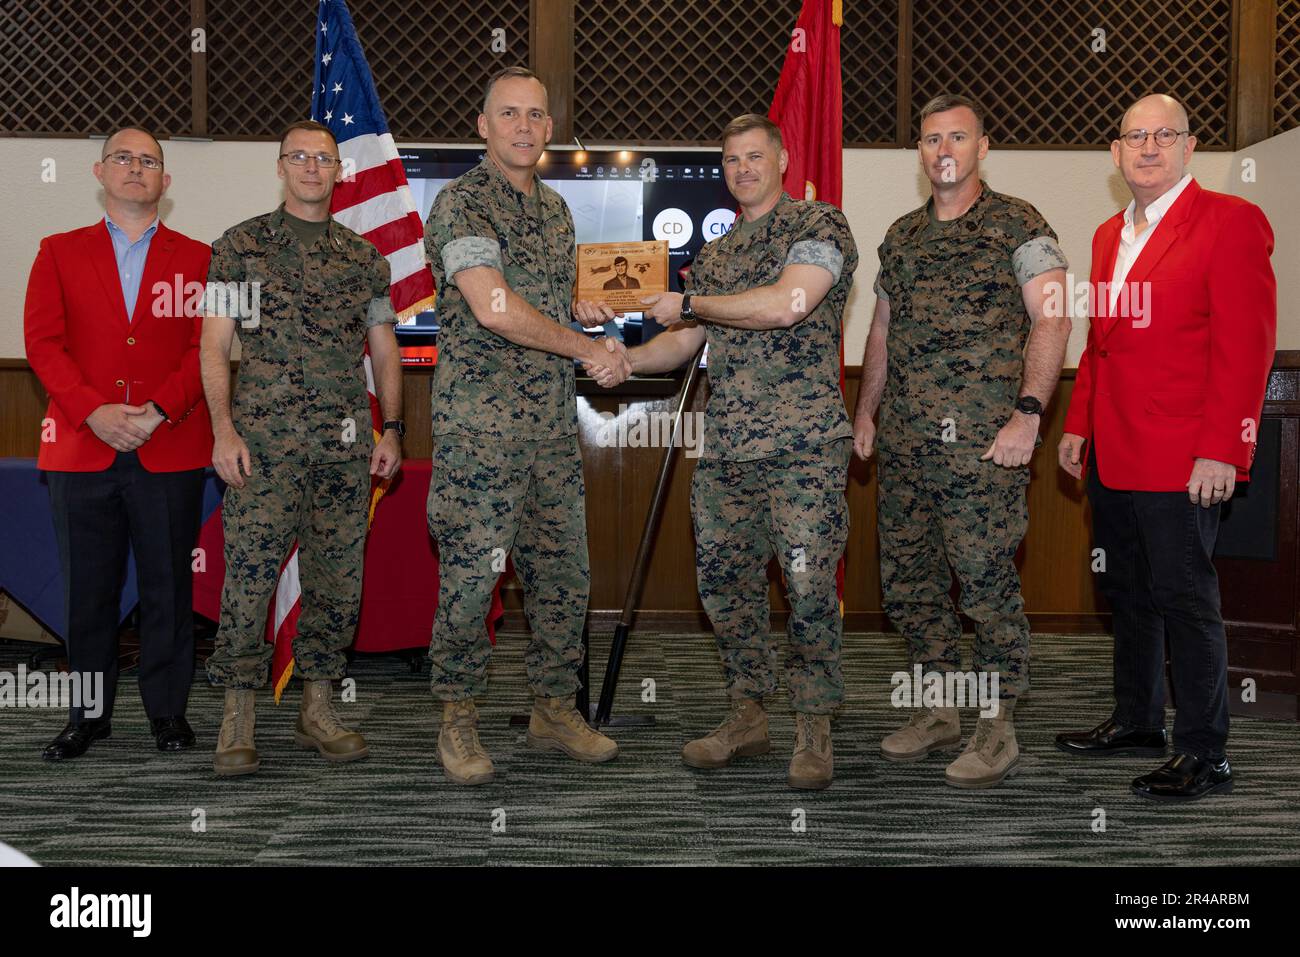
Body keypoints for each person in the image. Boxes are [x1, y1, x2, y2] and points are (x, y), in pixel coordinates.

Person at [586, 113, 857, 790]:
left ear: (783, 158)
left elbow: (788, 303)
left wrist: (692, 302)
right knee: (726, 587)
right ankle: (747, 713)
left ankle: (815, 725)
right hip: (728, 447)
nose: (742, 169)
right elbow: (685, 341)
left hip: (803, 448)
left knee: (807, 587)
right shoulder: (718, 251)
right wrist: (625, 359)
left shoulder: (820, 226)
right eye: (731, 160)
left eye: (754, 156)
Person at [1055, 94, 1276, 801]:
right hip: (1114, 453)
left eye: (1164, 135)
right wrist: (1077, 424)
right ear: (1116, 153)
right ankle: (1138, 720)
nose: (1148, 147)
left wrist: (1224, 450)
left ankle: (1206, 752)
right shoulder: (1104, 235)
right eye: (1134, 137)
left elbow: (1247, 350)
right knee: (1127, 592)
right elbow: (1102, 348)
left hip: (1185, 456)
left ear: (1189, 148)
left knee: (1185, 598)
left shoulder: (1231, 222)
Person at [853, 94, 1070, 788]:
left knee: (984, 585)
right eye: (929, 139)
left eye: (956, 137)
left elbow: (1053, 318)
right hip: (909, 444)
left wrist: (1029, 413)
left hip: (984, 445)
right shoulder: (900, 236)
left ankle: (997, 724)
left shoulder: (1018, 223)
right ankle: (939, 708)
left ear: (982, 147)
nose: (942, 149)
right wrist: (867, 413)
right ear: (919, 151)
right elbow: (882, 330)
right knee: (910, 586)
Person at [423, 66, 627, 786]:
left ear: (548, 128)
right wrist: (585, 348)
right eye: (507, 114)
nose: (522, 126)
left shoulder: (557, 212)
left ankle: (553, 707)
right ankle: (457, 717)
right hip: (480, 436)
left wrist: (589, 311)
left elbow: (553, 299)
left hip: (549, 431)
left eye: (535, 115)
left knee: (564, 577)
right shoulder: (460, 204)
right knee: (472, 584)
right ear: (483, 126)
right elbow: (495, 308)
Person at [200, 120, 404, 776]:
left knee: (337, 581)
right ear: (281, 166)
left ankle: (318, 704)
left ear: (339, 171)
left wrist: (393, 427)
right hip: (261, 445)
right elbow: (213, 343)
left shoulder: (364, 258)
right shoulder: (239, 246)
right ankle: (238, 711)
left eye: (324, 158)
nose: (313, 167)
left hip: (343, 449)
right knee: (249, 580)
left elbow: (383, 349)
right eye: (300, 157)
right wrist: (223, 428)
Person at [24, 126, 212, 760]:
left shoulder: (200, 258)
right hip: (83, 448)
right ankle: (88, 716)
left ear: (165, 181)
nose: (137, 168)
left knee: (168, 590)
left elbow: (205, 350)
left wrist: (158, 409)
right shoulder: (57, 251)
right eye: (124, 159)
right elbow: (43, 346)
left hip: (169, 447)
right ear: (99, 172)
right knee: (88, 593)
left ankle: (168, 714)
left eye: (150, 161)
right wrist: (93, 412)